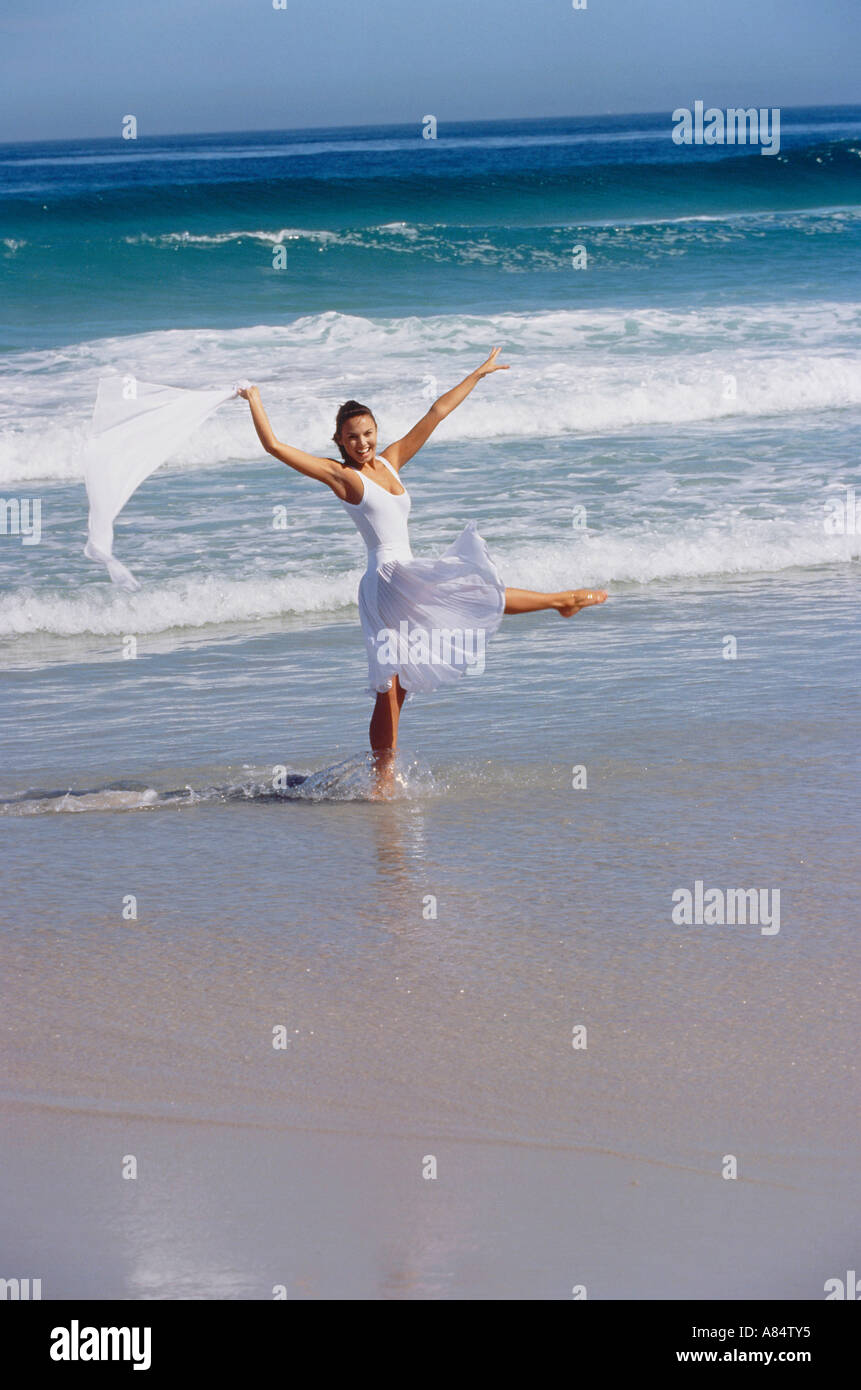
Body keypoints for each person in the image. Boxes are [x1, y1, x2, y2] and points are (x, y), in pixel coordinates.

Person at [239, 349, 606, 792]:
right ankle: (383, 779)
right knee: (392, 682)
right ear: (338, 439)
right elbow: (275, 447)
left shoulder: (390, 461)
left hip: (405, 573)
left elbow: (437, 413)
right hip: (384, 582)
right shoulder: (344, 477)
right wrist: (255, 399)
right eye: (352, 437)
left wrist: (478, 373)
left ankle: (560, 602)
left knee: (417, 663)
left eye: (368, 433)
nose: (362, 443)